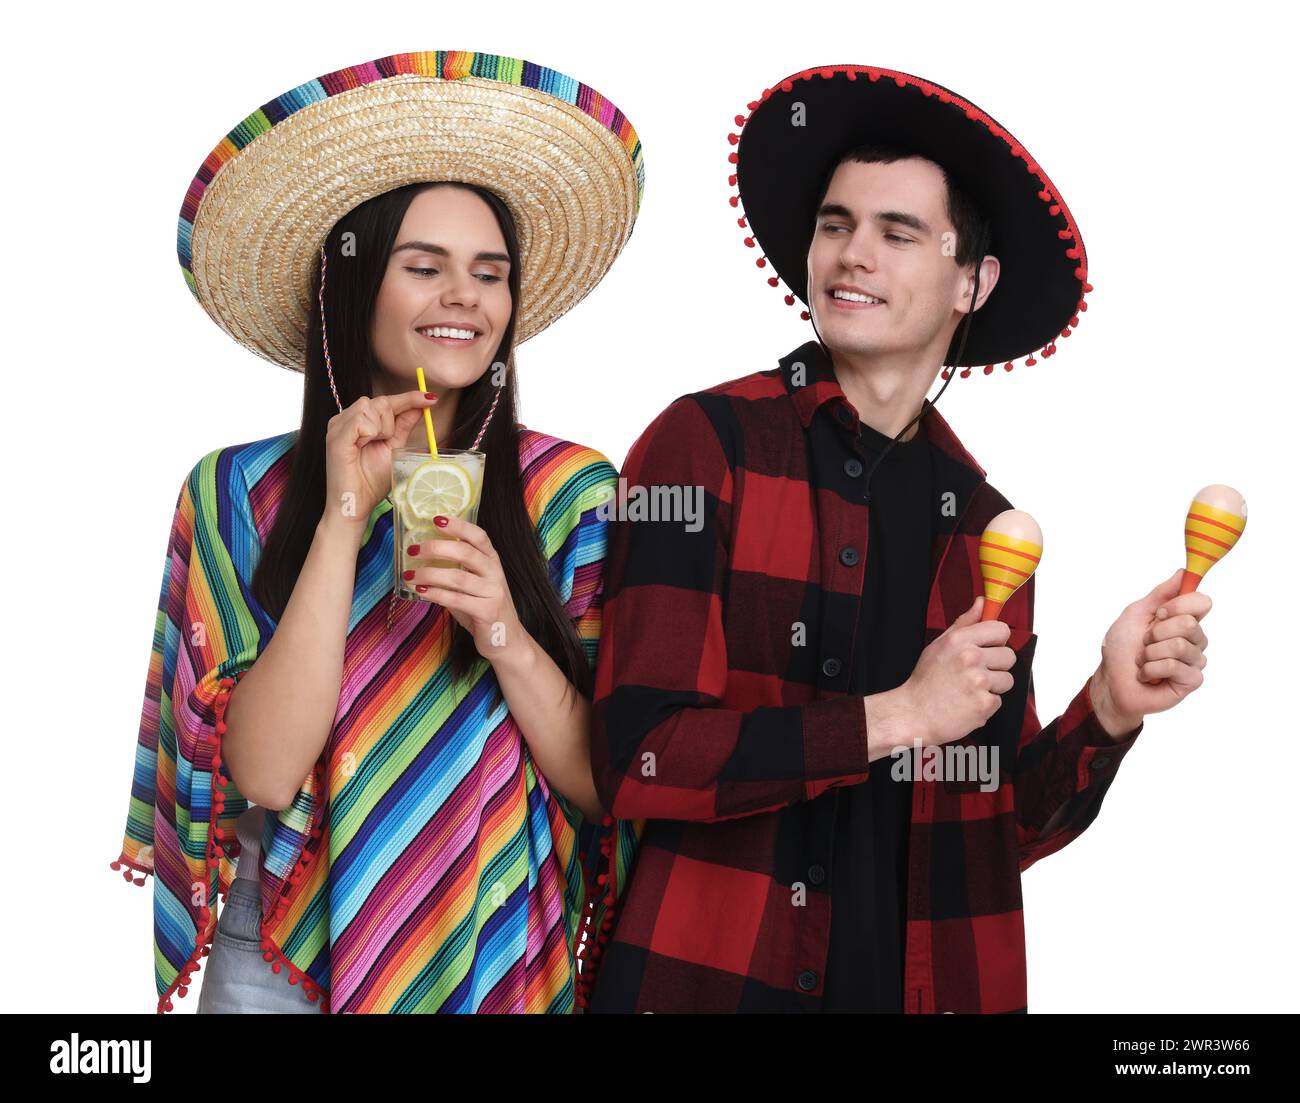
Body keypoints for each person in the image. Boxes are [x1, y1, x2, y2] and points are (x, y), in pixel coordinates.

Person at [586, 63, 1212, 1013]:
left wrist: (1113, 704)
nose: (852, 255)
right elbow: (638, 757)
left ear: (974, 280)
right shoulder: (705, 445)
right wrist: (896, 716)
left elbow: (997, 831)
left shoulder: (990, 529)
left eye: (897, 232)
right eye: (835, 225)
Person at [110, 50, 645, 1014]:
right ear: (350, 289)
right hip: (279, 958)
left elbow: (608, 784)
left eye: (490, 273)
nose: (465, 298)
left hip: (490, 938)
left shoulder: (573, 493)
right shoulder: (239, 490)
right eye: (423, 267)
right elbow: (268, 770)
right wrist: (342, 515)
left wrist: (502, 632)